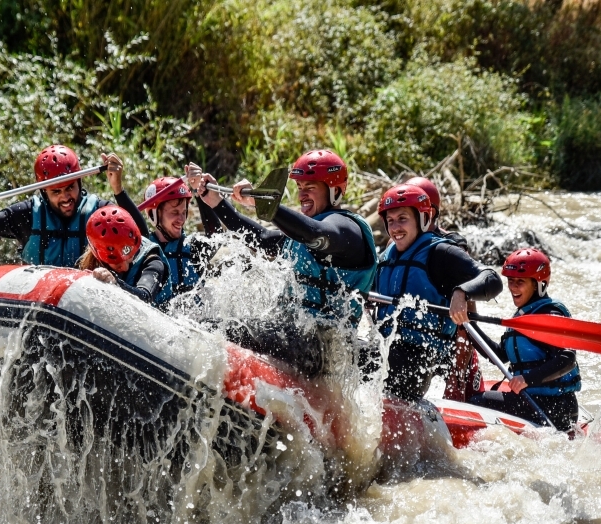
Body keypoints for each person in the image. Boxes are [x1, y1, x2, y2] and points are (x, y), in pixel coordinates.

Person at [198, 149, 378, 377]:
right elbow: (261, 238)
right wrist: (218, 203)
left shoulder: (348, 229)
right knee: (217, 318)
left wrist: (265, 203)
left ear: (334, 191)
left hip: (324, 347)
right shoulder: (302, 236)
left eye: (310, 187)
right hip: (298, 337)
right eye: (300, 188)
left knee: (221, 327)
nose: (302, 195)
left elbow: (315, 233)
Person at [374, 184, 502, 403]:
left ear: (423, 219)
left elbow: (492, 279)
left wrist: (462, 292)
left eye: (402, 219)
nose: (395, 228)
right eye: (390, 221)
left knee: (394, 363)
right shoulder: (389, 254)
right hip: (388, 346)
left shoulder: (442, 252)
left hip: (421, 353)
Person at [0, 146, 137, 268]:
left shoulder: (100, 213)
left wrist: (118, 189)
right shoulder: (26, 215)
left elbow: (139, 238)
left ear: (79, 183)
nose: (65, 197)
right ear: (43, 191)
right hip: (40, 304)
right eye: (56, 191)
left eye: (70, 188)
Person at [467, 248, 581, 432]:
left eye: (520, 281)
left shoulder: (551, 315)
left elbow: (567, 359)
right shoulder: (522, 317)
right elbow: (499, 355)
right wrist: (470, 326)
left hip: (554, 407)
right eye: (510, 280)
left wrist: (527, 379)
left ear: (538, 284)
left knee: (476, 402)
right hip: (535, 402)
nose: (513, 287)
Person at [404, 175, 482, 401]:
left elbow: (470, 313)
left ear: (429, 213)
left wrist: (463, 356)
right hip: (410, 337)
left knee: (455, 389)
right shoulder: (395, 244)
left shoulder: (451, 246)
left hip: (448, 338)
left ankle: (460, 389)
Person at [134, 164, 223, 304]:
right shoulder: (143, 248)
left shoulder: (192, 246)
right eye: (175, 212)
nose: (181, 219)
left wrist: (200, 192)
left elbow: (216, 238)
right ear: (153, 215)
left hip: (193, 322)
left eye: (183, 212)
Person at [79, 206, 169, 305]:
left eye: (129, 256)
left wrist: (116, 283)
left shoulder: (153, 262)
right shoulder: (89, 260)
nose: (125, 267)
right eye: (117, 263)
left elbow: (145, 297)